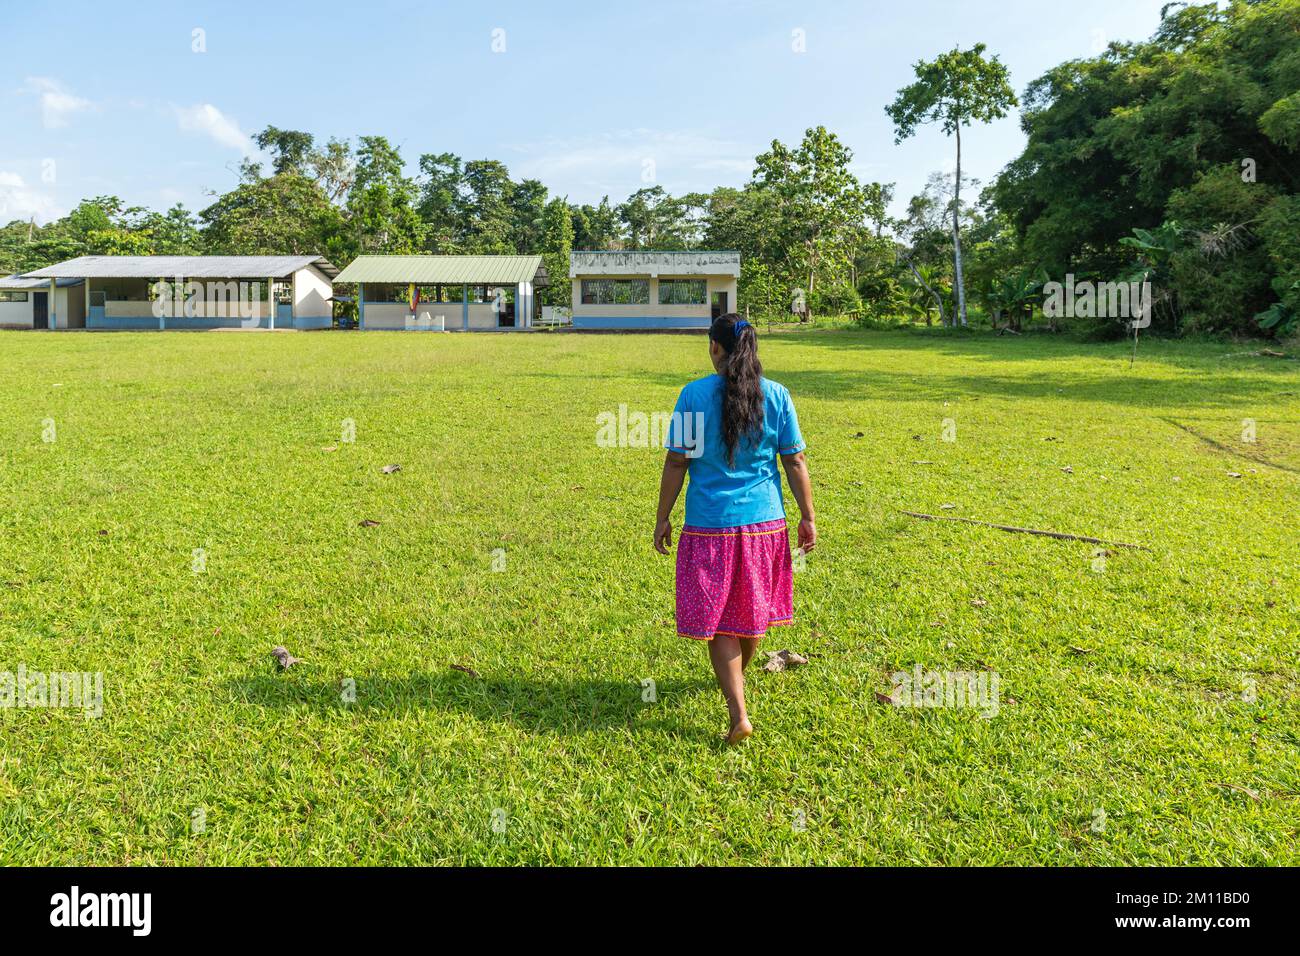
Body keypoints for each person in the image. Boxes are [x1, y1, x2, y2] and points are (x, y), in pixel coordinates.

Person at [654, 313, 816, 745]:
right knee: (752, 611)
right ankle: (735, 679)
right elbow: (794, 461)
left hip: (710, 526)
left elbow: (676, 461)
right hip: (765, 526)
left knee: (722, 622)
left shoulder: (692, 395)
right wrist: (808, 516)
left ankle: (738, 712)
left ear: (714, 348)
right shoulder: (777, 395)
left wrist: (662, 516)